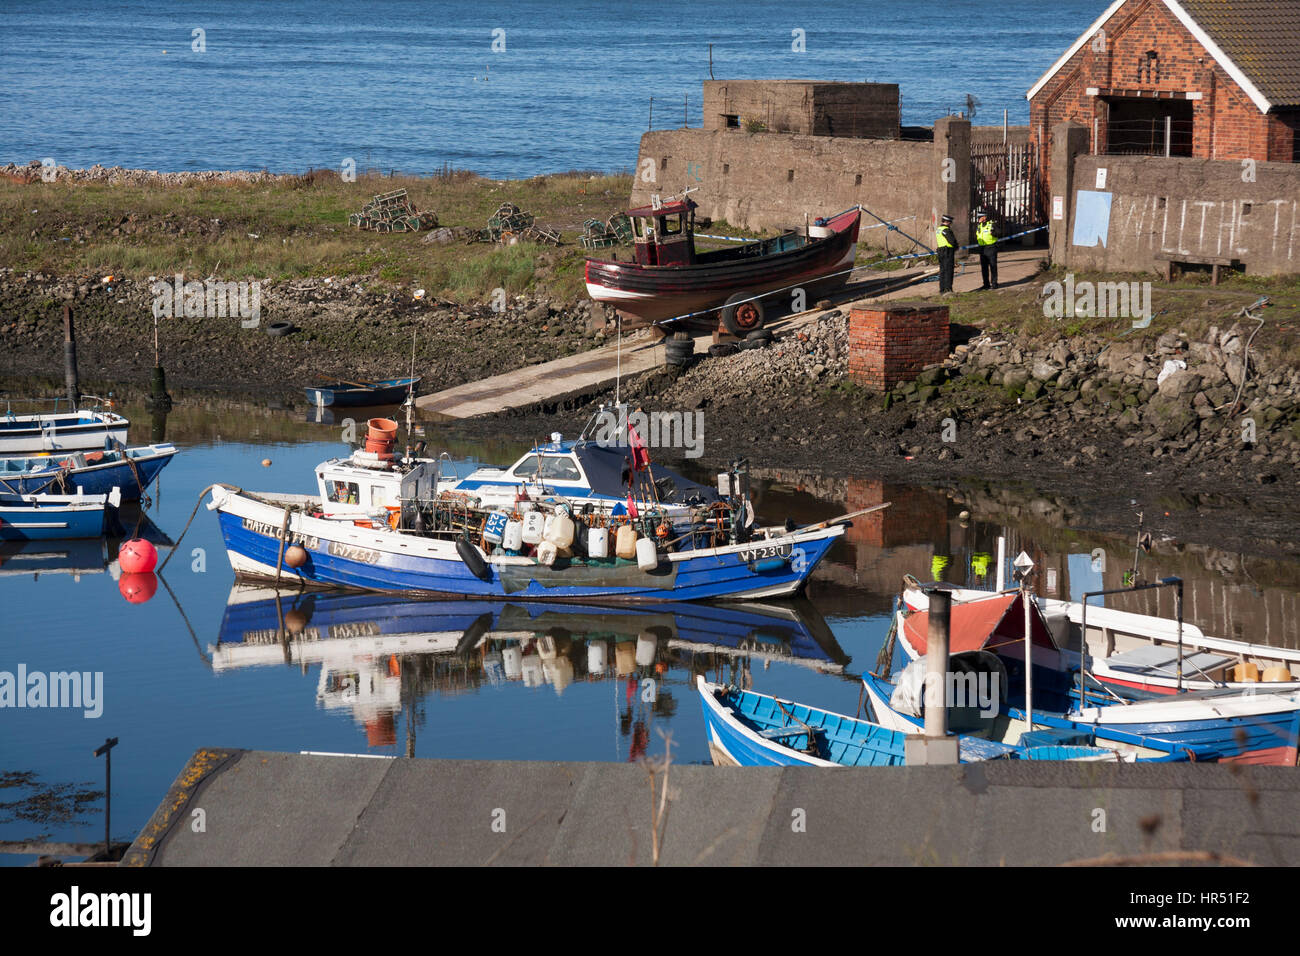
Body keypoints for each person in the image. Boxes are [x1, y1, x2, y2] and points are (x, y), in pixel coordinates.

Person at [976, 209, 998, 290]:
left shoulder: (992, 224)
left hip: (991, 247)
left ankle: (994, 284)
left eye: (980, 217)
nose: (979, 219)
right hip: (982, 248)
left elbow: (999, 233)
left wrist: (993, 233)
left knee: (993, 266)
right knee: (984, 268)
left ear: (984, 217)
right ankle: (986, 284)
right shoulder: (979, 225)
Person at [935, 214, 956, 294]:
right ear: (947, 222)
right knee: (949, 270)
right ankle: (948, 289)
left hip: (941, 251)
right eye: (950, 222)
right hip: (947, 251)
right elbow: (952, 241)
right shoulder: (946, 230)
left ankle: (942, 289)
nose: (950, 224)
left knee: (942, 271)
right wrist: (956, 247)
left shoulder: (939, 229)